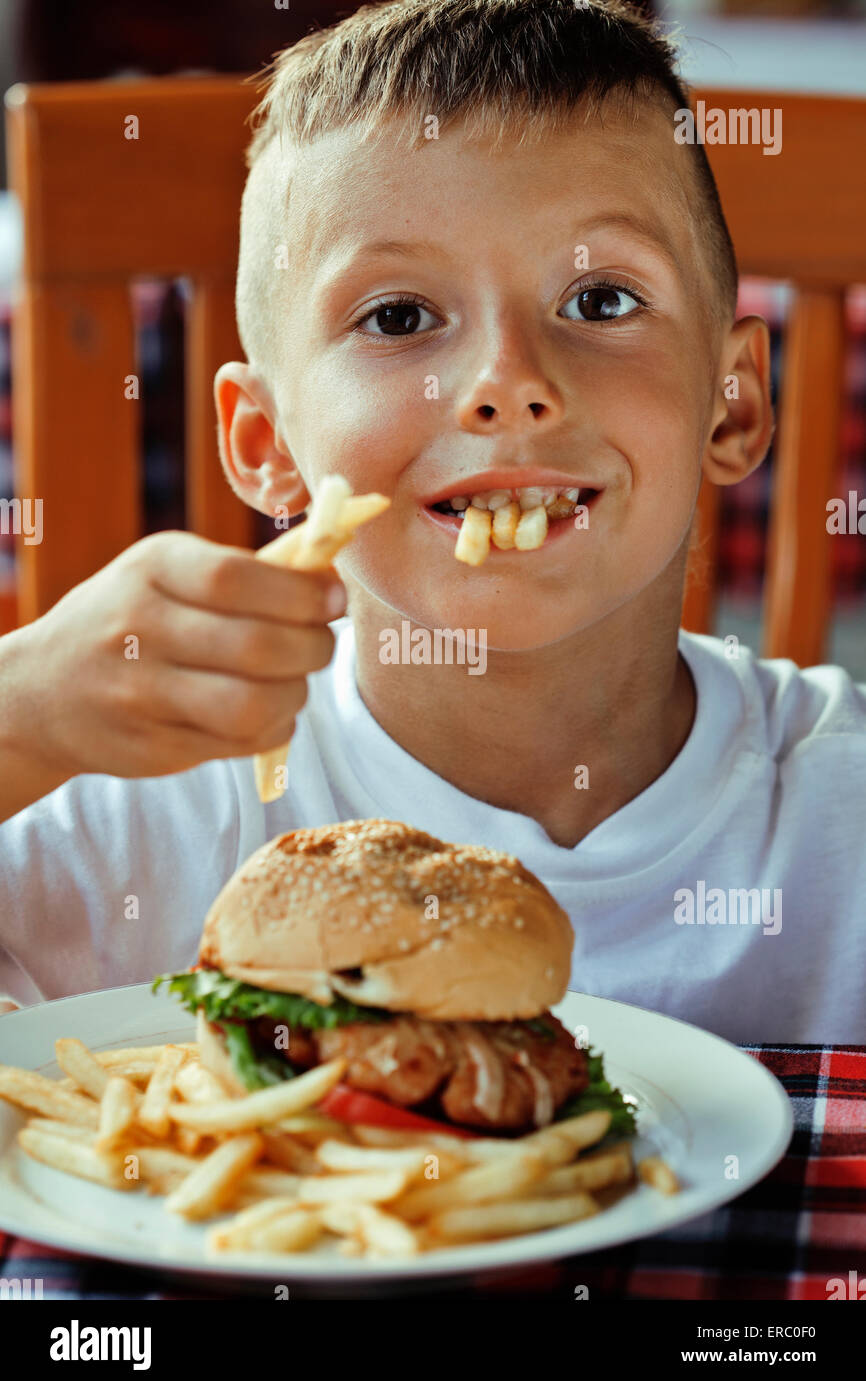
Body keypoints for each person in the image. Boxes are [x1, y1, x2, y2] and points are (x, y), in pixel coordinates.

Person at [0, 0, 863, 1043]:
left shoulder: (836, 808)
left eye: (597, 301)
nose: (505, 383)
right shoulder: (164, 803)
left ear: (730, 402)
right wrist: (21, 714)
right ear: (266, 447)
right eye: (398, 317)